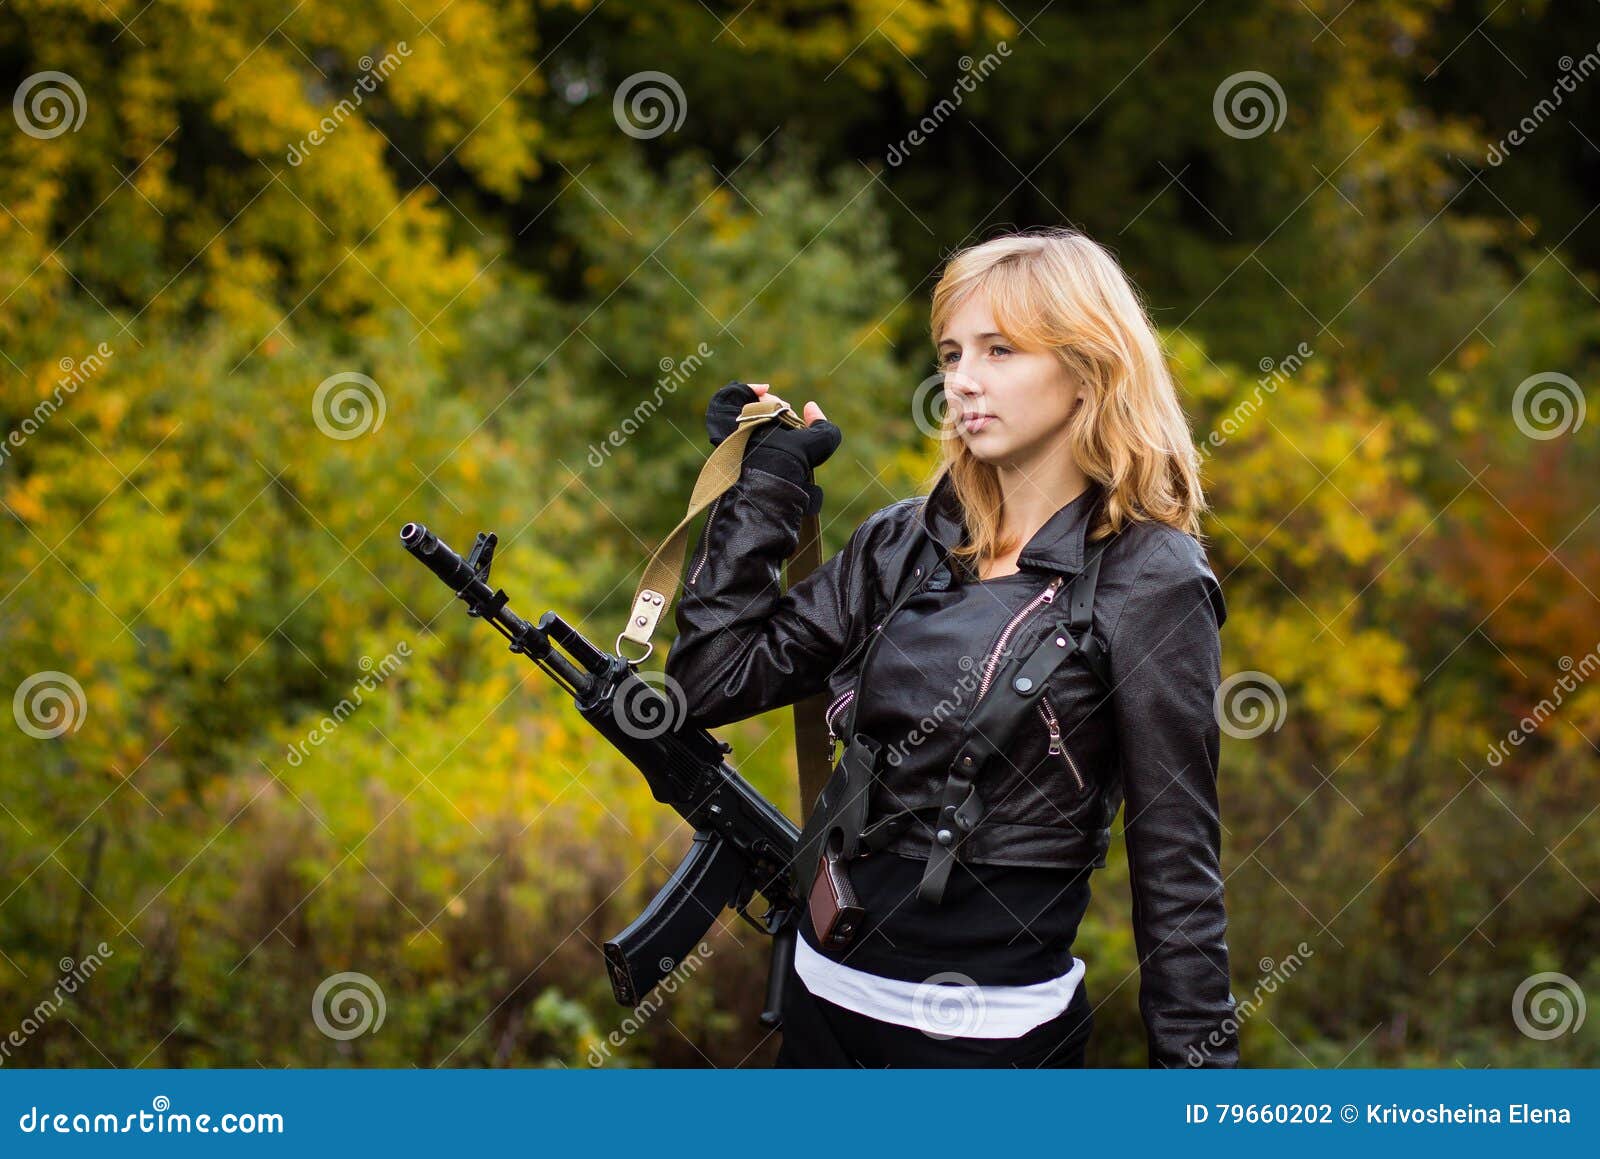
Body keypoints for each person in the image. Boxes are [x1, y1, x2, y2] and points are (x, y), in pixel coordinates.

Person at [664, 227, 1238, 1068]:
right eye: (951, 352)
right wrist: (765, 485)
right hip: (820, 1009)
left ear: (1089, 368)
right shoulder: (907, 540)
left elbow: (1178, 867)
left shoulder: (1151, 578)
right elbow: (711, 679)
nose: (962, 381)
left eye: (1000, 350)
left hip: (989, 1050)